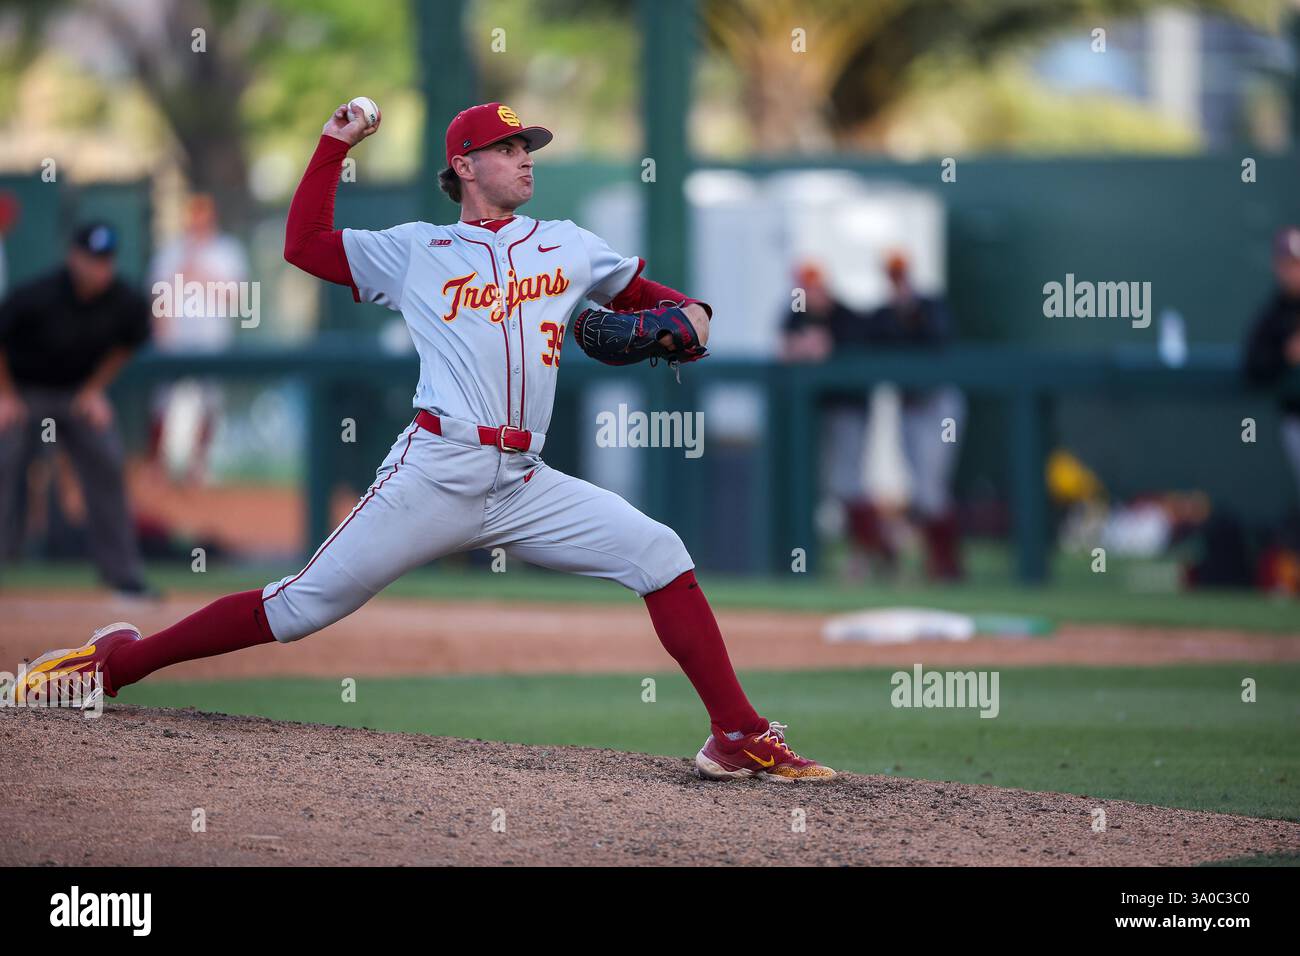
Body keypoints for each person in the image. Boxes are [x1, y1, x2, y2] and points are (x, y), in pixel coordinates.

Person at [16, 102, 834, 782]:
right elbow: (303, 246)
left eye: (529, 146)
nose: (525, 158)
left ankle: (736, 736)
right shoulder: (416, 250)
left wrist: (690, 310)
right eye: (509, 147)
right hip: (435, 470)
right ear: (465, 166)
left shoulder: (568, 241)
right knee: (300, 608)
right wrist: (334, 145)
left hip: (524, 479)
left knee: (660, 553)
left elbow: (638, 290)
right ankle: (116, 664)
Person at [0, 222, 154, 597]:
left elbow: (130, 342)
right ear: (74, 258)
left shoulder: (124, 300)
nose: (101, 269)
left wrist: (95, 389)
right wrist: (5, 395)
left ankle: (122, 574)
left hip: (75, 396)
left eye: (107, 261)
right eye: (93, 259)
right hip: (25, 392)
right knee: (6, 460)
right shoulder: (37, 295)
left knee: (108, 460)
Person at [780, 262, 895, 573]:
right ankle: (878, 549)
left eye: (814, 286)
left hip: (851, 410)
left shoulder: (847, 317)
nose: (809, 292)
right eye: (804, 286)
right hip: (817, 413)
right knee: (828, 485)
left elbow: (824, 351)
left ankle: (872, 552)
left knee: (848, 482)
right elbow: (785, 350)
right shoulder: (796, 312)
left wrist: (813, 349)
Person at [865, 251, 965, 580]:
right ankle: (937, 563)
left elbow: (939, 338)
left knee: (930, 486)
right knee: (922, 486)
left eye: (901, 275)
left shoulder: (929, 306)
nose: (897, 282)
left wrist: (908, 312)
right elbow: (864, 338)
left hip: (938, 402)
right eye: (892, 276)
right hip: (908, 405)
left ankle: (947, 566)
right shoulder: (883, 314)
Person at [146, 194, 248, 485]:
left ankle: (199, 466)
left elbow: (237, 297)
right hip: (175, 339)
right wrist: (161, 332)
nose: (197, 222)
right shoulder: (170, 252)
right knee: (162, 400)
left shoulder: (227, 251)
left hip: (211, 338)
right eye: (193, 215)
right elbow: (158, 297)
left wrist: (201, 275)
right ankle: (156, 465)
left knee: (210, 400)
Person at [1243, 225, 1300, 504]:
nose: (1294, 271)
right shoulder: (1275, 312)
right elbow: (1254, 366)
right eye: (1288, 264)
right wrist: (1286, 355)